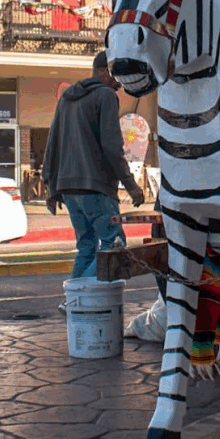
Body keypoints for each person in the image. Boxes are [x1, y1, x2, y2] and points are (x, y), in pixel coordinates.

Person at [44, 51, 145, 307]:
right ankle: (77, 301)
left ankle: (72, 303)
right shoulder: (105, 96)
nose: (120, 85)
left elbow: (52, 140)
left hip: (69, 188)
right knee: (114, 245)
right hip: (96, 187)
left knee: (87, 247)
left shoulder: (67, 98)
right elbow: (112, 146)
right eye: (117, 77)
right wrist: (131, 185)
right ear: (104, 71)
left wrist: (50, 186)